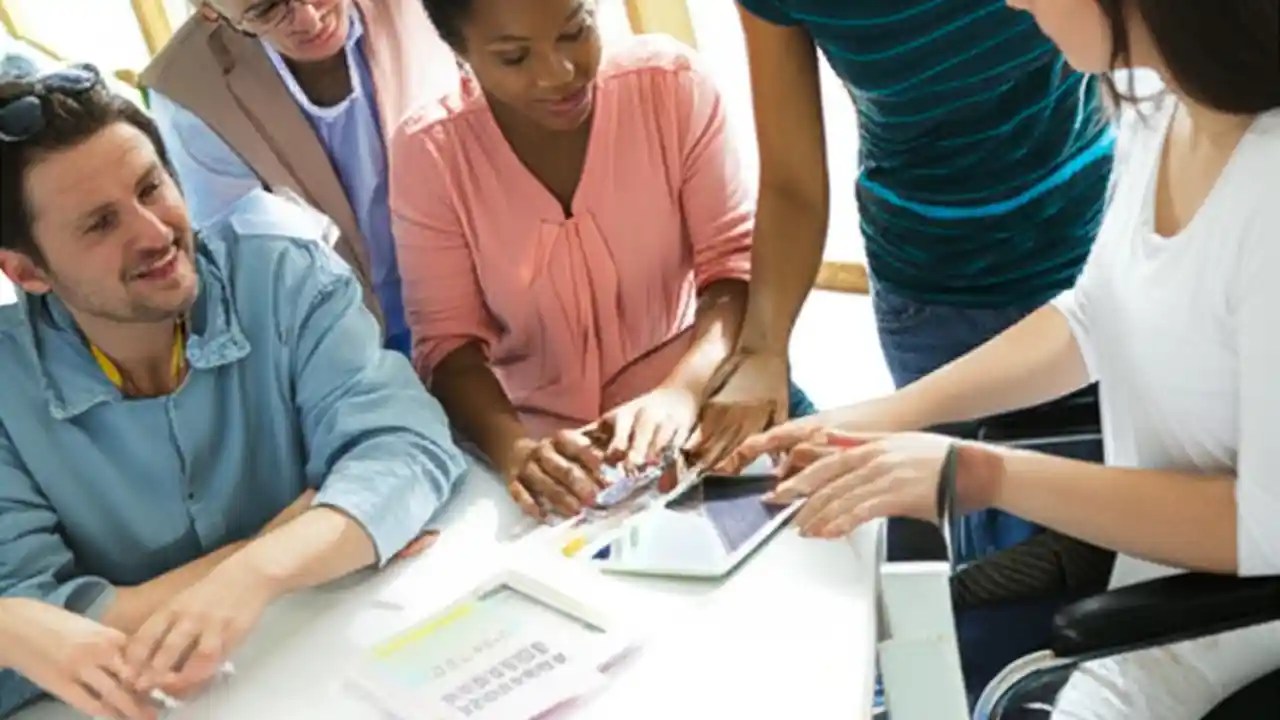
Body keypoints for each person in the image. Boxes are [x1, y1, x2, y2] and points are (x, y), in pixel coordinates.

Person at [724, 0, 1280, 716]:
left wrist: (981, 473)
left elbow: (1264, 528)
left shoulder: (1266, 189)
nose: (1013, 2)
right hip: (1154, 595)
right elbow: (1092, 319)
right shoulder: (1155, 103)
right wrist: (875, 417)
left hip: (1226, 635)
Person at [0, 65, 468, 718]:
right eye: (100, 224)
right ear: (27, 271)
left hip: (344, 658)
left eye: (150, 187)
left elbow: (405, 450)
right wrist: (281, 543)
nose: (155, 233)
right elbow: (34, 626)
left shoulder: (284, 275)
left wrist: (259, 573)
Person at [390, 0, 815, 520]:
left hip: (706, 395)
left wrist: (681, 391)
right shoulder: (429, 152)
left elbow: (733, 266)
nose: (559, 73)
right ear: (461, 53)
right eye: (514, 57)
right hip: (546, 447)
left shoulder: (670, 85)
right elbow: (447, 346)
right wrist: (518, 452)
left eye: (575, 31)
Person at [140, 0, 460, 355]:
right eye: (265, 10)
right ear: (209, 9)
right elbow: (253, 261)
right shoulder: (191, 90)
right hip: (341, 338)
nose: (308, 18)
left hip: (480, 297)